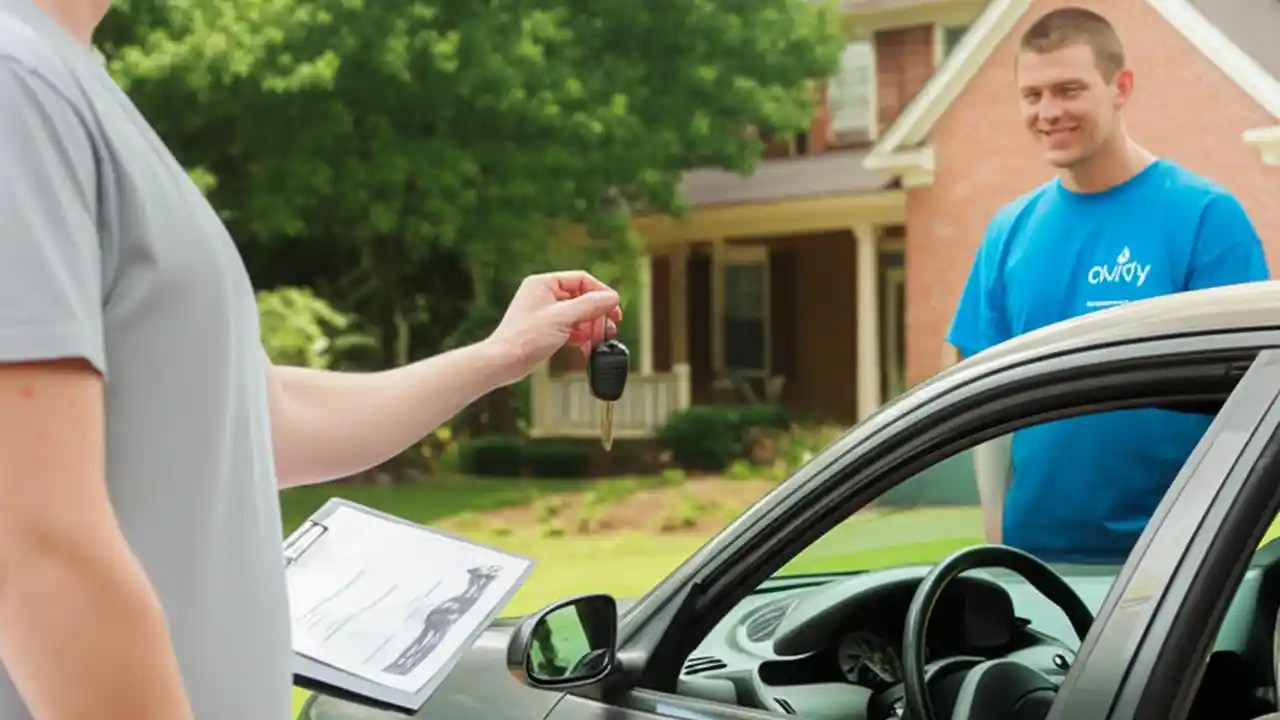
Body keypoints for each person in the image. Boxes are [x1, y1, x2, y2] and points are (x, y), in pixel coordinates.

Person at [0, 0, 623, 718]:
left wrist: (498, 356)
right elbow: (33, 545)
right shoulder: (19, 81)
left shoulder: (73, 86)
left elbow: (263, 421)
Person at [946, 7, 1269, 564]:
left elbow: (1251, 399)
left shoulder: (1203, 217)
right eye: (1032, 95)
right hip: (1035, 568)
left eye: (1069, 90)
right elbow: (982, 395)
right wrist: (996, 532)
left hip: (1172, 573)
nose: (1048, 112)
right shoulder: (1009, 232)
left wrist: (1207, 548)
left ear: (1121, 86)